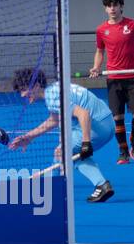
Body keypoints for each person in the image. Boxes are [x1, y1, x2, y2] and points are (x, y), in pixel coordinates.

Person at [7, 68, 116, 203]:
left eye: (24, 89)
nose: (23, 95)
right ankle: (102, 185)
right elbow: (54, 119)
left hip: (97, 126)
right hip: (108, 123)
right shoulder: (55, 89)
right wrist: (28, 137)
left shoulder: (52, 96)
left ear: (36, 86)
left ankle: (52, 189)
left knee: (61, 151)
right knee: (69, 152)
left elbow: (83, 114)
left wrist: (86, 142)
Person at [88, 0, 134, 163]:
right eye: (109, 6)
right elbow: (100, 51)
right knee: (117, 118)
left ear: (121, 6)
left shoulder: (133, 25)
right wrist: (96, 67)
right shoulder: (101, 30)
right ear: (105, 9)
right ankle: (123, 152)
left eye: (115, 5)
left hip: (133, 77)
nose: (112, 8)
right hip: (113, 79)